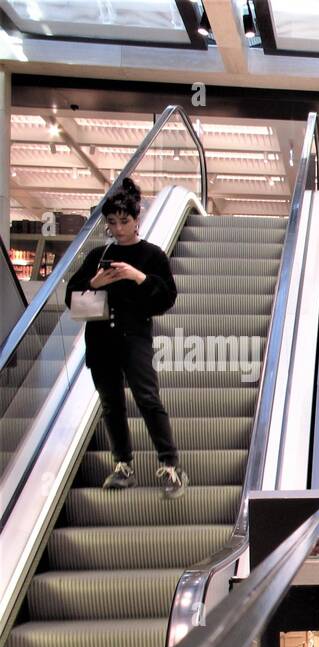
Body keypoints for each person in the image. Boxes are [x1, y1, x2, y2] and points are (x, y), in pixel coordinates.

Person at [63, 176, 186, 498]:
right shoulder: (97, 256)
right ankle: (122, 465)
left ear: (137, 219)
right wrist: (96, 283)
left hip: (135, 338)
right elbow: (71, 297)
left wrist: (138, 277)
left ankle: (171, 464)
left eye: (124, 221)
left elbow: (165, 299)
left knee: (148, 398)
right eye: (112, 222)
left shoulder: (152, 256)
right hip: (101, 340)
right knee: (111, 404)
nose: (118, 228)